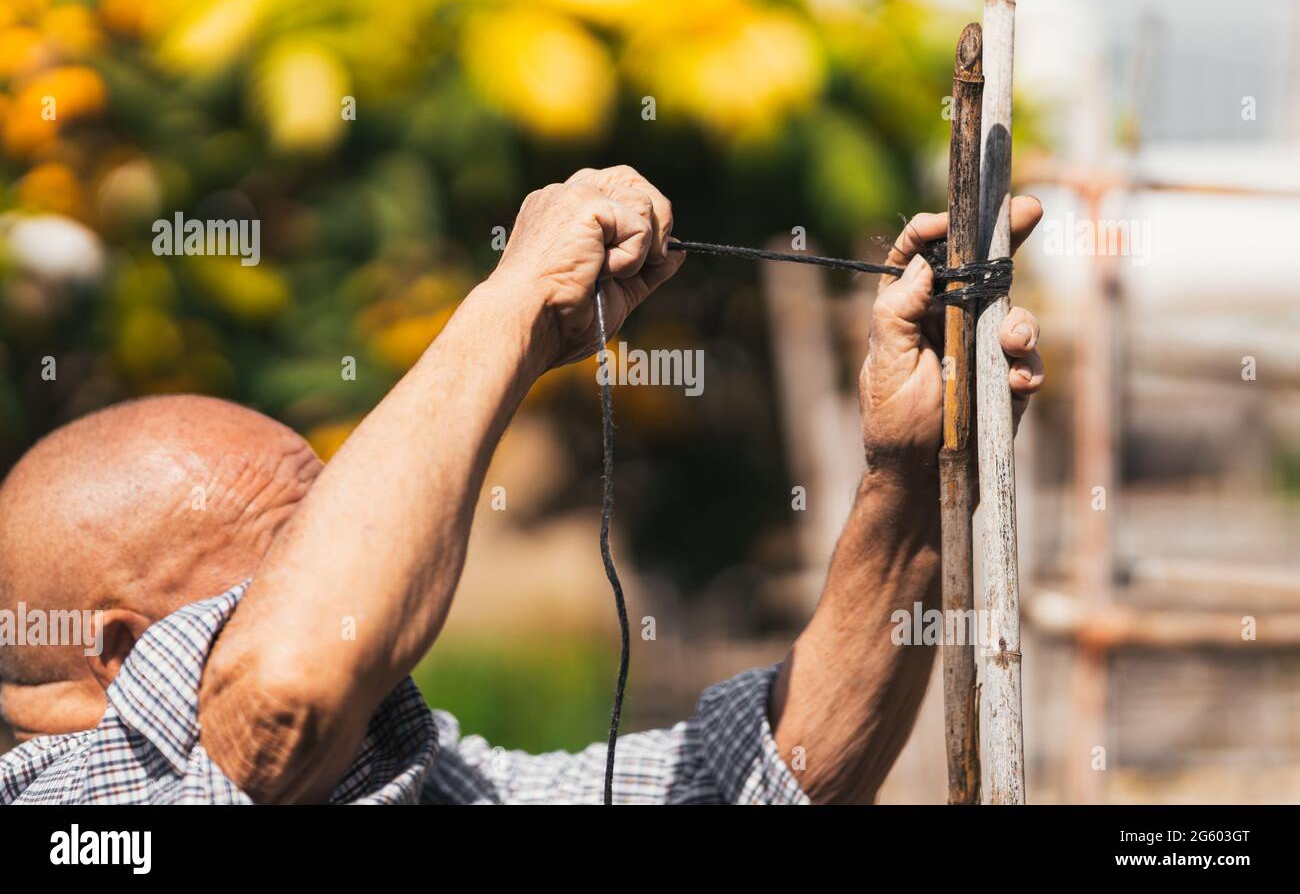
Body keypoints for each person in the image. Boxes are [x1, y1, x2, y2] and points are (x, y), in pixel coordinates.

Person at [0, 166, 1045, 804]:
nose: (365, 552)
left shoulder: (407, 772)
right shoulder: (77, 804)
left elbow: (787, 777)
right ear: (127, 657)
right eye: (297, 549)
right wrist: (511, 306)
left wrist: (910, 477)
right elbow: (281, 698)